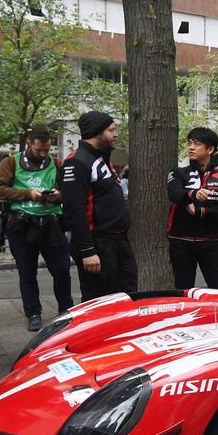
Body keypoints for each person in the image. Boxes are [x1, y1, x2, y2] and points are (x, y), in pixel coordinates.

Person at [0, 125, 74, 331]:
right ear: (29, 144)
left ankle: (66, 310)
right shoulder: (11, 162)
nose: (43, 154)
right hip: (22, 224)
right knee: (27, 272)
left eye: (47, 150)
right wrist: (28, 194)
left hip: (52, 224)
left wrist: (59, 195)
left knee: (62, 270)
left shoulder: (56, 163)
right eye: (39, 150)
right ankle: (33, 313)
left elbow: (69, 189)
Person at [60, 111, 137, 302]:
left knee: (128, 298)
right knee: (100, 303)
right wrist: (87, 250)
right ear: (97, 133)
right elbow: (74, 210)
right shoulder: (76, 162)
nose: (116, 134)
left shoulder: (102, 159)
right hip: (98, 244)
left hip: (119, 241)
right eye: (111, 130)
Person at [166, 126, 218, 291]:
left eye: (196, 144)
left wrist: (200, 212)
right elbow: (174, 193)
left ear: (210, 149)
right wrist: (193, 194)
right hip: (180, 243)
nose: (191, 147)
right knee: (183, 291)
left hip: (210, 243)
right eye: (189, 143)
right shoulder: (178, 173)